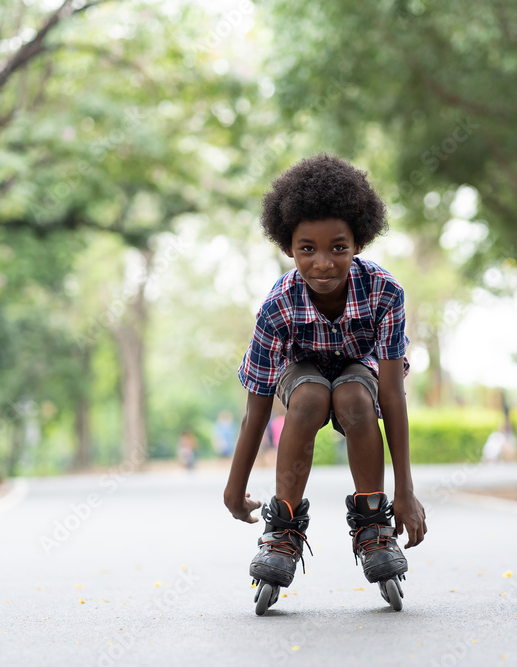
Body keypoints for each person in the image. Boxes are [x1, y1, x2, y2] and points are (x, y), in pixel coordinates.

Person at [223, 154, 428, 602]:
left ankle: (373, 522)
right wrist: (234, 490)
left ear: (359, 241)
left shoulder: (385, 293)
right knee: (313, 395)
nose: (322, 263)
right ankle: (284, 526)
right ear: (288, 247)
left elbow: (391, 396)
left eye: (338, 247)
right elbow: (256, 408)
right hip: (302, 374)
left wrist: (404, 492)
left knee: (355, 396)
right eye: (306, 249)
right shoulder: (278, 306)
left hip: (361, 368)